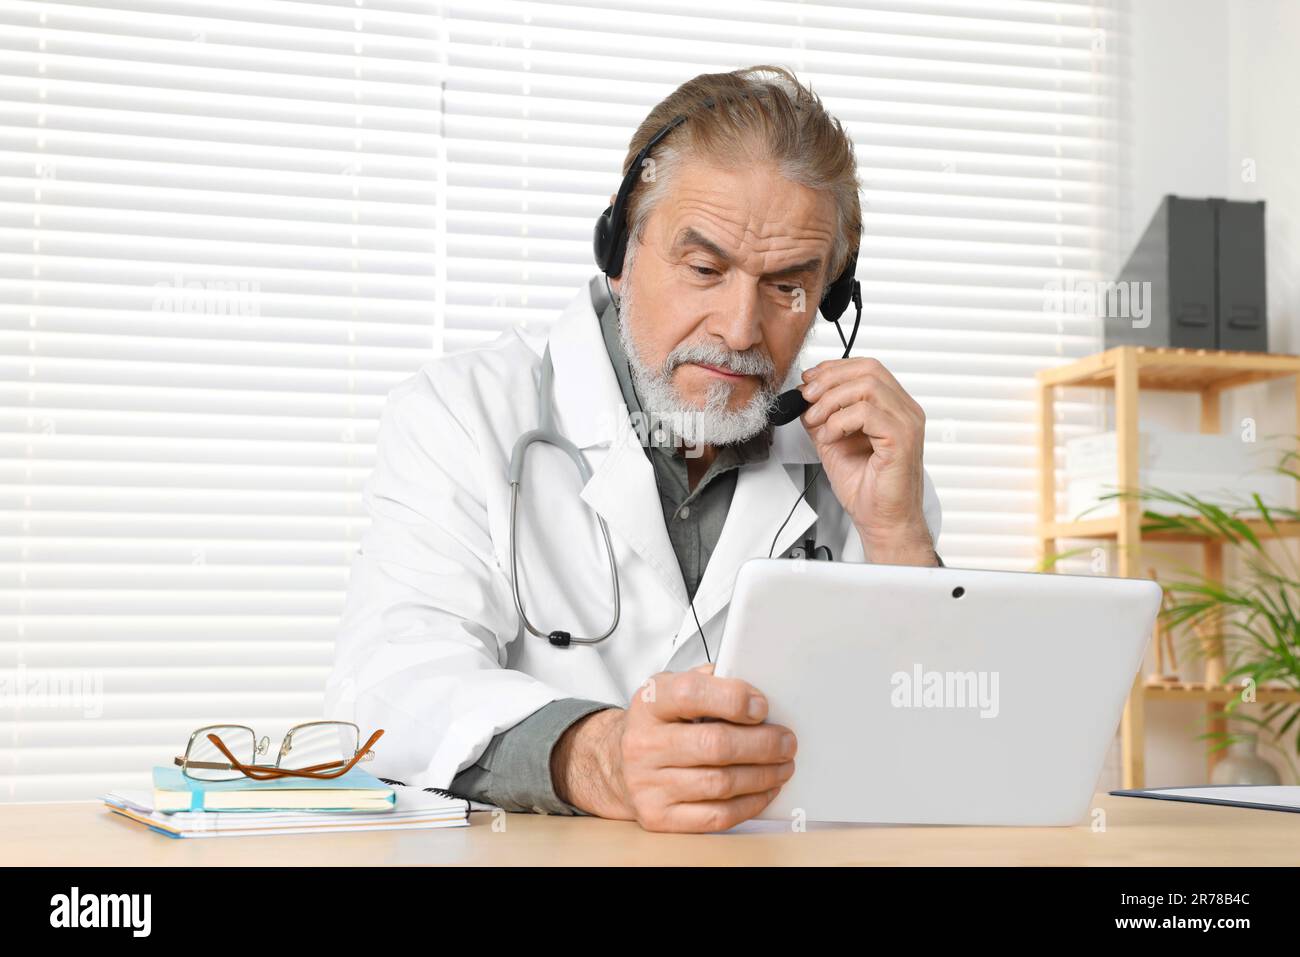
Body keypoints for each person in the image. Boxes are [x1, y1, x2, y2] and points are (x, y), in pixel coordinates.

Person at [325, 65, 942, 833]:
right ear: (618, 249)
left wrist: (899, 536)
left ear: (830, 297)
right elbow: (389, 689)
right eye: (705, 269)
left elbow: (941, 742)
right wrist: (600, 756)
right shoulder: (461, 413)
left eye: (787, 287)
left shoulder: (861, 460)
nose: (741, 328)